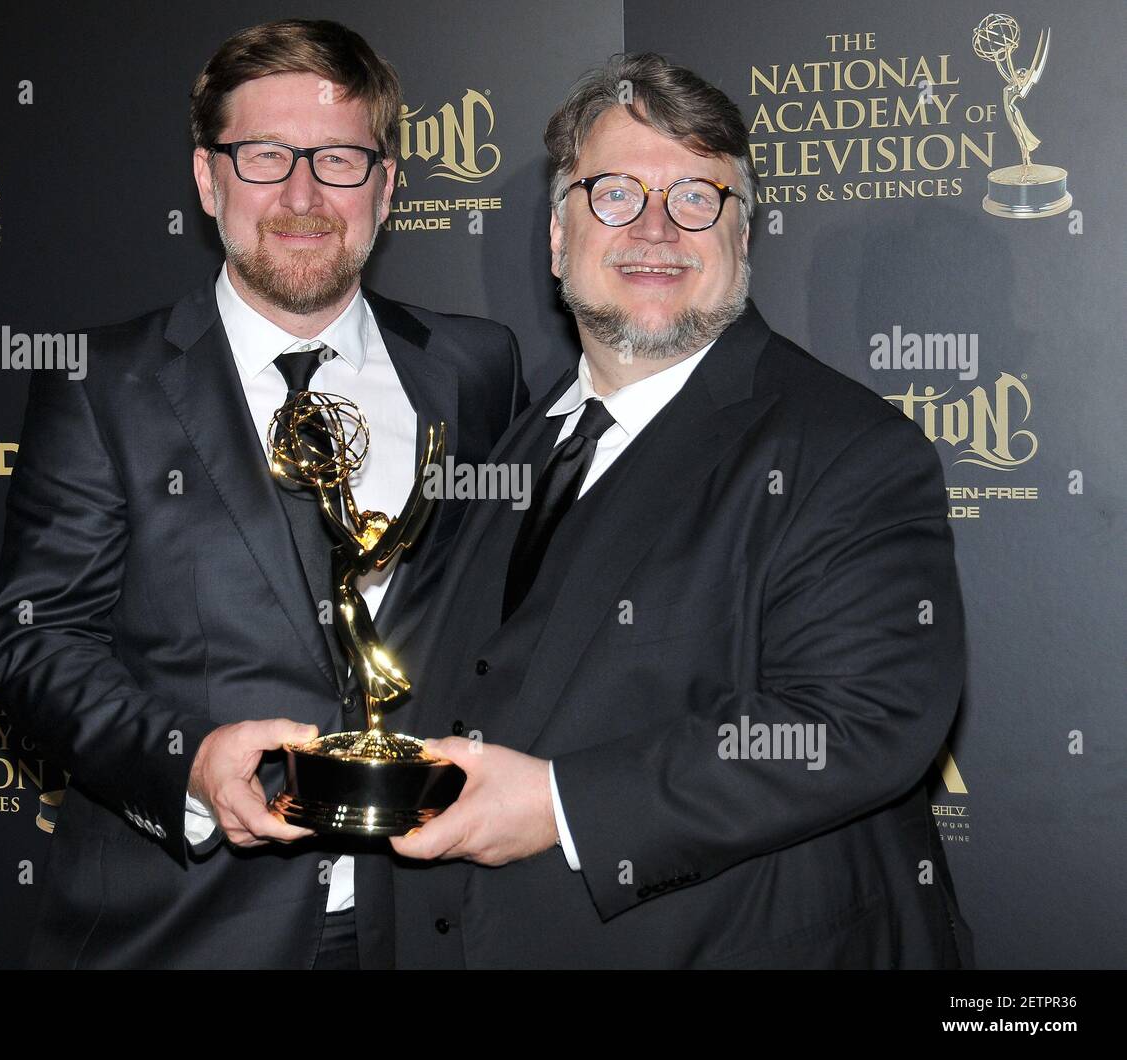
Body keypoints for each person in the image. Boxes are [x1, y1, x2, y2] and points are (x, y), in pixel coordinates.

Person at [357, 52, 975, 968]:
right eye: (614, 195)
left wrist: (565, 807)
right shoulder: (519, 444)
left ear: (743, 238)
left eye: (696, 197)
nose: (655, 227)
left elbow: (858, 721)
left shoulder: (847, 448)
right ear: (559, 238)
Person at [0, 19, 526, 969]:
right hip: (185, 929)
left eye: (340, 159)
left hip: (432, 921)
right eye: (266, 155)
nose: (304, 195)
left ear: (388, 186)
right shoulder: (104, 382)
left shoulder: (476, 367)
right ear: (208, 179)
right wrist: (185, 762)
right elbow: (37, 643)